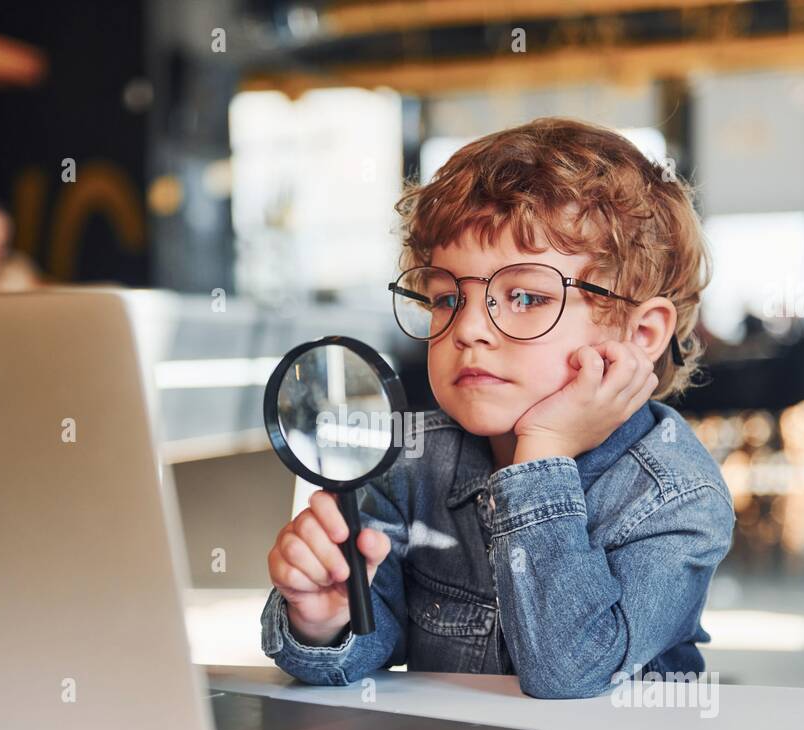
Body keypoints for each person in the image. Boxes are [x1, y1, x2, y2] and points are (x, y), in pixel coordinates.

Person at [259, 118, 736, 699]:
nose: (470, 329)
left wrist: (541, 456)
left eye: (527, 297)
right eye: (446, 298)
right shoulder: (410, 461)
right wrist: (326, 619)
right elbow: (372, 642)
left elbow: (571, 672)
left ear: (641, 333)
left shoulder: (675, 497)